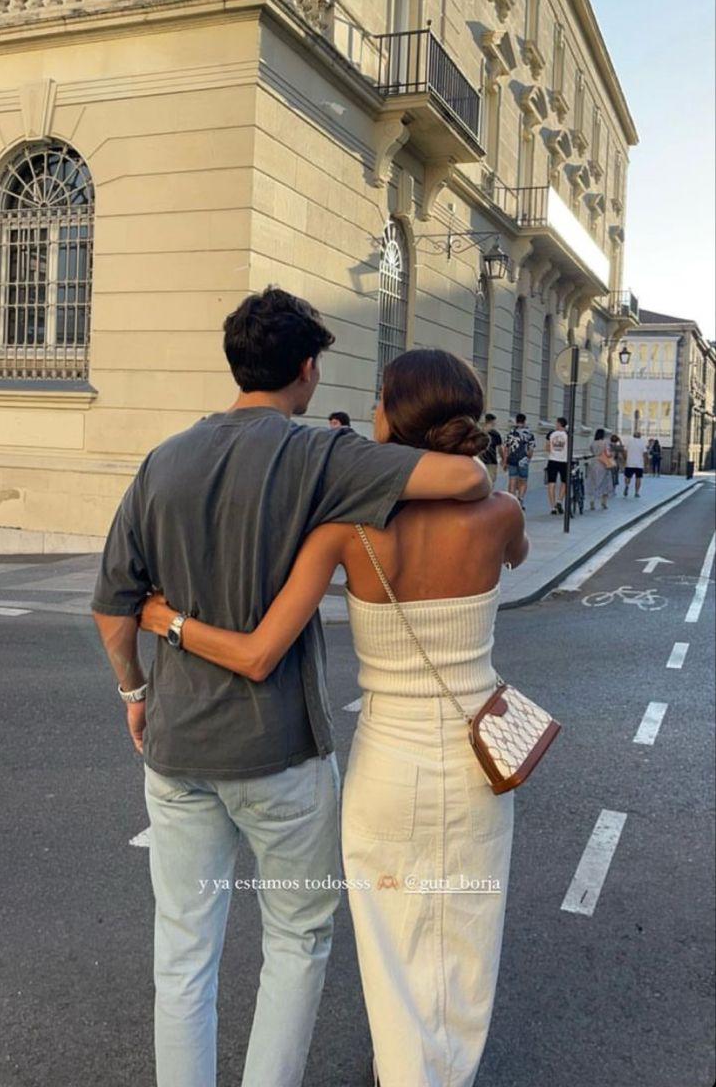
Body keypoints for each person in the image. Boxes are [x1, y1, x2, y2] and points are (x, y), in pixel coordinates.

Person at [90, 288, 491, 1087]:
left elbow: (113, 607)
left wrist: (136, 695)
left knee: (183, 947)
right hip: (280, 754)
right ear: (306, 370)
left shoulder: (163, 460)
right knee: (297, 939)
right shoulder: (320, 454)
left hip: (176, 747)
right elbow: (461, 477)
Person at [501, 412, 536, 509]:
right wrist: (528, 459)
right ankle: (520, 499)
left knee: (512, 480)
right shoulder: (529, 434)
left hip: (512, 459)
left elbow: (506, 448)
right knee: (523, 481)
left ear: (516, 421)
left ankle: (511, 501)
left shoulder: (510, 433)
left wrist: (504, 461)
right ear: (524, 422)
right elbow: (531, 449)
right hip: (523, 460)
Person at [545, 417, 568, 514]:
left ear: (558, 424)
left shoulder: (550, 434)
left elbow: (546, 447)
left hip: (552, 460)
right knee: (564, 482)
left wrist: (553, 452)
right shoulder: (568, 434)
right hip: (564, 461)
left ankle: (552, 507)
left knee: (551, 483)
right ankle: (559, 500)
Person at [587, 427, 613, 510]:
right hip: (603, 464)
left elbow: (591, 451)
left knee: (593, 482)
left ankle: (592, 501)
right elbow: (608, 454)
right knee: (605, 482)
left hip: (594, 462)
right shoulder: (605, 443)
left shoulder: (593, 443)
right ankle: (603, 502)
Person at [479, 412, 502, 485]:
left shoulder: (478, 431)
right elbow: (500, 448)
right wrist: (503, 458)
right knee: (490, 483)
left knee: (479, 482)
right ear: (492, 422)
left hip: (479, 461)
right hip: (491, 461)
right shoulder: (495, 434)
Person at [623, 430, 647, 498]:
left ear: (633, 435)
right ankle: (636, 492)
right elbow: (645, 453)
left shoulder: (629, 442)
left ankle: (627, 485)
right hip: (639, 464)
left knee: (628, 476)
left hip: (630, 462)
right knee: (638, 478)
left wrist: (626, 458)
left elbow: (624, 451)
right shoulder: (642, 443)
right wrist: (645, 463)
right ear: (640, 436)